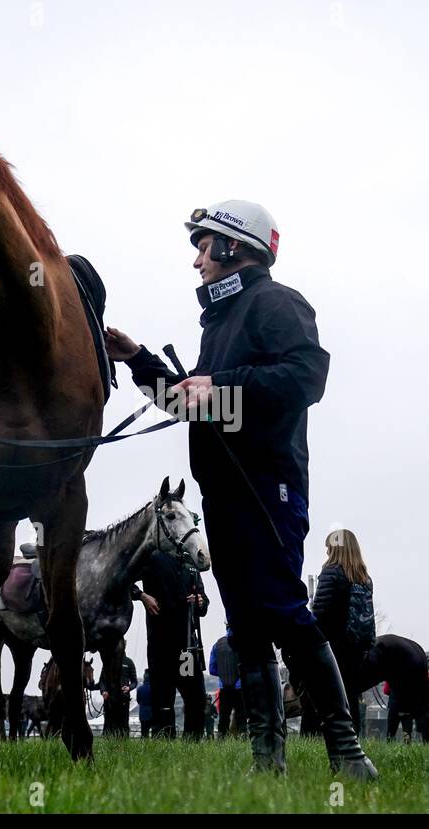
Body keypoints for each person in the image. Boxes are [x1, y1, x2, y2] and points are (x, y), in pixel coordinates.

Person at [106, 201, 374, 779]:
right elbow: (192, 402)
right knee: (247, 625)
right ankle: (266, 758)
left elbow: (307, 377)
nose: (197, 260)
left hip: (267, 489)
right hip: (222, 494)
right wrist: (137, 360)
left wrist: (220, 384)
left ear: (235, 248)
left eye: (205, 247)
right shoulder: (220, 322)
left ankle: (347, 752)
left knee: (282, 612)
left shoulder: (276, 302)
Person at [133, 549, 209, 739]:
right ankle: (164, 740)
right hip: (161, 645)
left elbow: (203, 602)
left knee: (195, 697)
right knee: (163, 698)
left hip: (186, 646)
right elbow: (123, 578)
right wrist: (142, 596)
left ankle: (193, 742)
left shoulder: (190, 562)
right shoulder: (152, 557)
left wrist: (200, 602)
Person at [308, 529, 376, 734]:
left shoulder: (331, 572)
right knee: (350, 694)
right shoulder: (364, 577)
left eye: (329, 547)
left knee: (322, 692)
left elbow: (319, 610)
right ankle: (352, 736)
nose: (327, 552)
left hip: (331, 644)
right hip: (357, 646)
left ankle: (318, 736)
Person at [209, 632, 242, 739]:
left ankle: (222, 740)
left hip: (224, 689)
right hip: (240, 688)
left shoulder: (217, 645)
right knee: (242, 718)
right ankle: (244, 739)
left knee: (223, 718)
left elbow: (212, 669)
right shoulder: (243, 641)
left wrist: (224, 674)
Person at [98, 654, 139, 736]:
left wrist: (128, 688)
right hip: (109, 699)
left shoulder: (129, 662)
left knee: (123, 724)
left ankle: (124, 741)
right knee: (109, 724)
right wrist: (103, 691)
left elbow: (134, 682)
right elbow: (102, 681)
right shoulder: (108, 661)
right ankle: (108, 741)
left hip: (123, 699)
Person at [136, 670, 153, 737]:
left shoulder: (140, 689)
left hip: (143, 713)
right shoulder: (155, 688)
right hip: (153, 712)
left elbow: (138, 701)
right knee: (155, 732)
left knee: (144, 733)